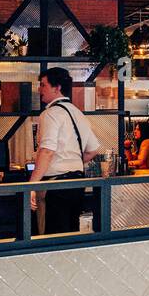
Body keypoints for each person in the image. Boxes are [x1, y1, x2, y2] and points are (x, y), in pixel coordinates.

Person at [30, 68, 101, 234]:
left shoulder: (50, 113)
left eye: (43, 85)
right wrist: (72, 162)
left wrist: (31, 185)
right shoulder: (78, 113)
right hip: (77, 184)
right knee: (70, 235)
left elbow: (47, 151)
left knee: (51, 237)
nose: (39, 89)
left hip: (55, 187)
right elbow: (93, 150)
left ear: (57, 87)